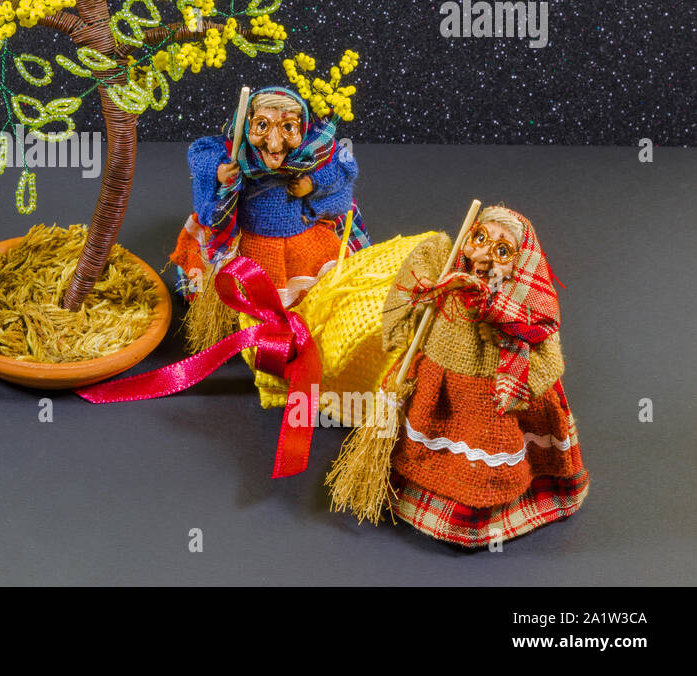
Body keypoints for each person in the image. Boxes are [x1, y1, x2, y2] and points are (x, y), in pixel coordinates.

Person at [382, 206, 589, 546]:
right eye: (479, 238)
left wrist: (521, 387)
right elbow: (416, 308)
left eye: (502, 250)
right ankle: (419, 494)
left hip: (493, 401)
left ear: (519, 263)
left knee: (486, 457)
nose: (482, 254)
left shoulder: (521, 312)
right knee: (427, 434)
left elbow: (547, 361)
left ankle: (490, 513)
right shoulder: (448, 280)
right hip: (442, 386)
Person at [171, 85, 366, 308]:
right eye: (262, 125)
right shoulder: (237, 152)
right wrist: (218, 170)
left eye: (288, 128)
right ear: (248, 122)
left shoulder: (312, 155)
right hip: (247, 243)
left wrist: (312, 183)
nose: (274, 144)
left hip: (299, 242)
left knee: (312, 293)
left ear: (302, 128)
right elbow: (199, 153)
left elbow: (343, 168)